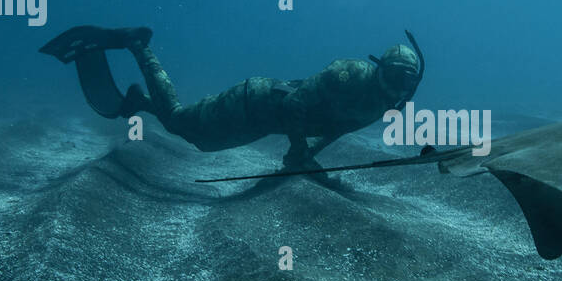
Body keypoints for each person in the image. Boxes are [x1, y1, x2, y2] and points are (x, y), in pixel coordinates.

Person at [39, 26, 424, 170]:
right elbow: (294, 105)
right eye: (394, 76)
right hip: (253, 101)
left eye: (407, 83)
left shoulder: (383, 103)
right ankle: (139, 47)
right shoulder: (351, 73)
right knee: (178, 121)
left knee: (202, 141)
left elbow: (339, 128)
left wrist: (306, 156)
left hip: (262, 122)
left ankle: (139, 102)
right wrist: (298, 150)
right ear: (379, 67)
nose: (398, 87)